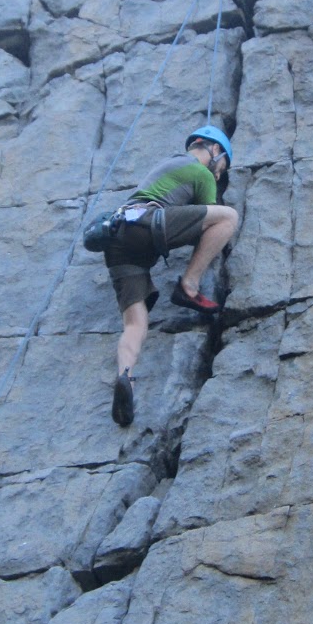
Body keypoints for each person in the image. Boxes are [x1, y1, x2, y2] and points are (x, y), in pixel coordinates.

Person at [103, 125, 239, 427]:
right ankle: (188, 287)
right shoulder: (200, 172)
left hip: (117, 238)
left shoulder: (167, 165)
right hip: (149, 223)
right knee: (228, 217)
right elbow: (208, 217)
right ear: (214, 150)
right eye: (222, 168)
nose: (218, 175)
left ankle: (125, 376)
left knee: (135, 323)